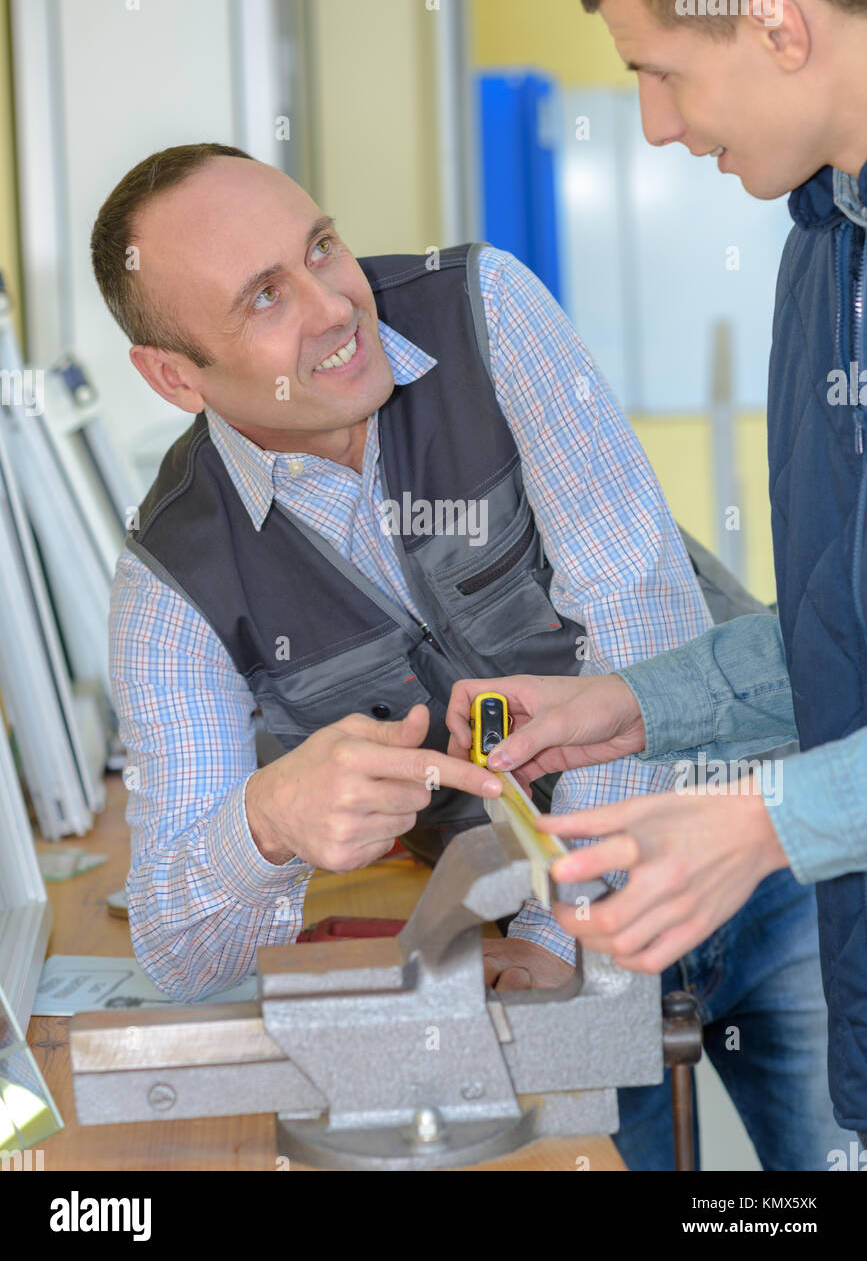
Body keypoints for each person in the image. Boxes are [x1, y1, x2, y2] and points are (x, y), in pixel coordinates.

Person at [92, 143, 847, 1170]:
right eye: (265, 296)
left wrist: (552, 926)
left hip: (754, 842)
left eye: (322, 246)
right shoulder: (170, 581)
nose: (332, 306)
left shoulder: (485, 311)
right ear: (176, 375)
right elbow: (178, 953)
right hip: (538, 953)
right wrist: (265, 820)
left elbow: (644, 623)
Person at [446, 0, 867, 1153]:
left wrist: (765, 823)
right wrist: (631, 705)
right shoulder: (823, 249)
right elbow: (836, 629)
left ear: (778, 25)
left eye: (663, 72)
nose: (655, 125)